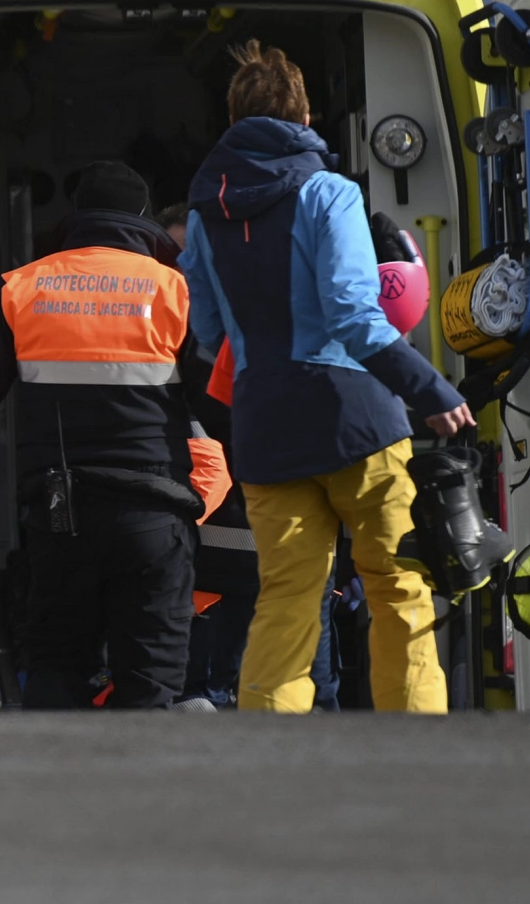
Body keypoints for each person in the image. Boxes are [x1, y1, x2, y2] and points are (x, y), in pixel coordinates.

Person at [178, 42, 472, 714]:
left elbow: (209, 336)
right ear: (305, 114)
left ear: (234, 117)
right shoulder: (329, 192)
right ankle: (415, 739)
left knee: (286, 597)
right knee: (398, 585)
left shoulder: (203, 214)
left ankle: (274, 755)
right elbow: (353, 315)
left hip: (265, 430)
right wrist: (432, 392)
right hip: (354, 420)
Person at [0, 162, 227, 709]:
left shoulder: (21, 288)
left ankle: (58, 792)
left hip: (57, 511)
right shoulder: (176, 290)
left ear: (77, 217)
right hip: (153, 515)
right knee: (152, 684)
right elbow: (219, 400)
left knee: (57, 671)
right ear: (142, 219)